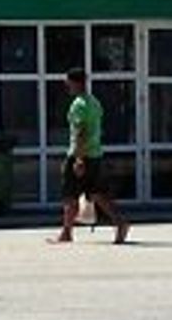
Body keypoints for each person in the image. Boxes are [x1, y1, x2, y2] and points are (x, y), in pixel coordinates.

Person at [51, 67, 129, 245]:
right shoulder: (94, 102)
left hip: (81, 154)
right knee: (97, 194)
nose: (66, 86)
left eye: (68, 82)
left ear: (76, 82)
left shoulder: (79, 105)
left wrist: (78, 159)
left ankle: (66, 233)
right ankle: (120, 223)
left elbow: (81, 132)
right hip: (95, 155)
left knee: (70, 196)